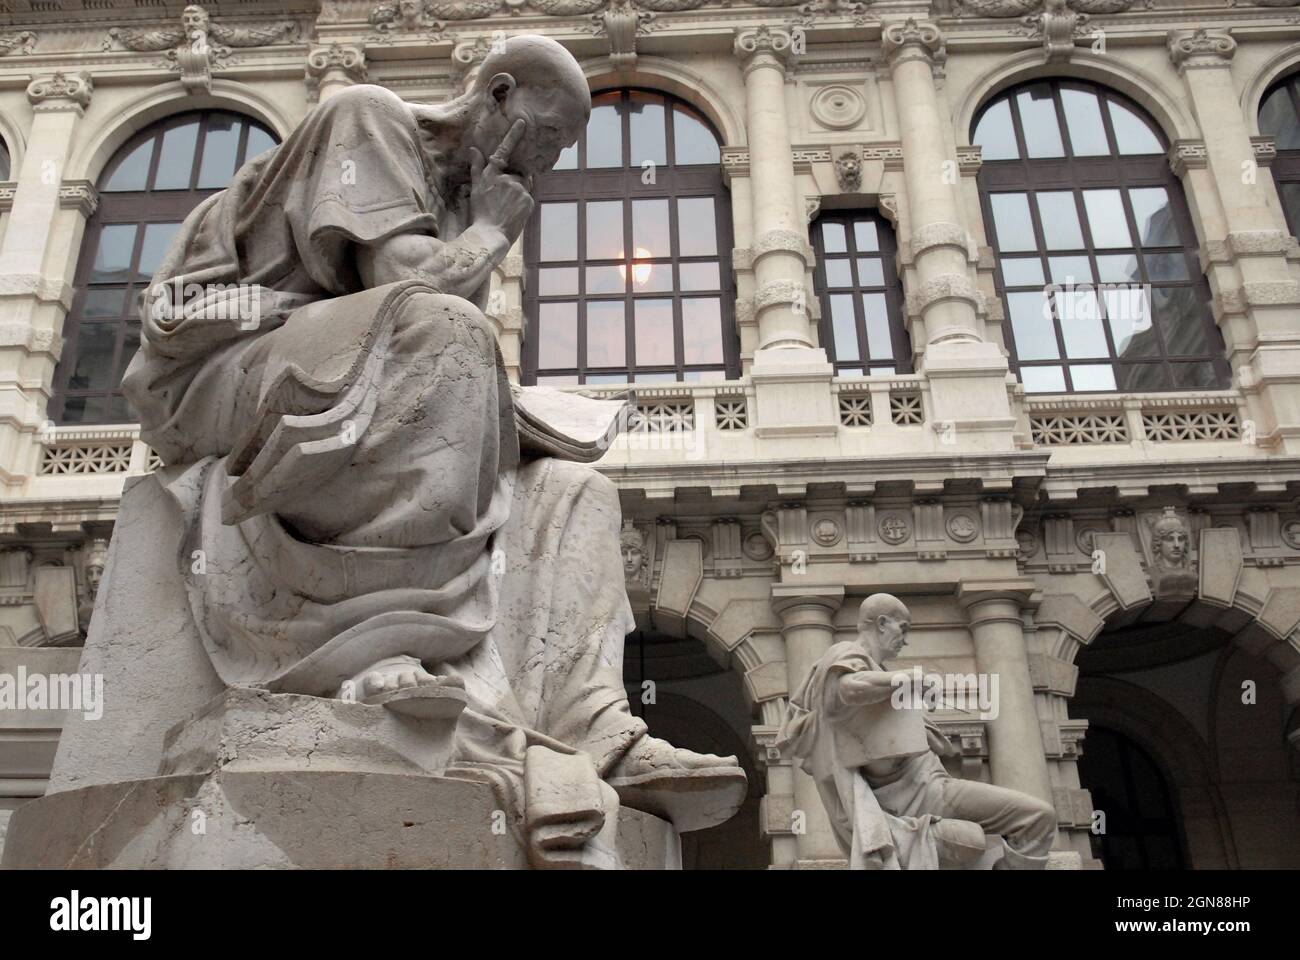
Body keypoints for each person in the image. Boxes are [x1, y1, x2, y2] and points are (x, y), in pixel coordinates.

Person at [122, 34, 744, 846]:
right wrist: (491, 235)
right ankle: (386, 653)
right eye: (543, 135)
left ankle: (590, 726)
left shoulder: (458, 197)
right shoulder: (369, 116)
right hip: (220, 367)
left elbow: (418, 335)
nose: (546, 162)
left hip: (352, 371)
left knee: (576, 489)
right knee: (450, 332)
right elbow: (408, 290)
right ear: (496, 96)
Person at [777, 593, 1056, 869]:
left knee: (1036, 818)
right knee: (1035, 818)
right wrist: (910, 678)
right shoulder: (844, 654)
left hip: (930, 786)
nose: (905, 639)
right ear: (882, 623)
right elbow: (846, 689)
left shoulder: (878, 671)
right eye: (903, 628)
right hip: (923, 794)